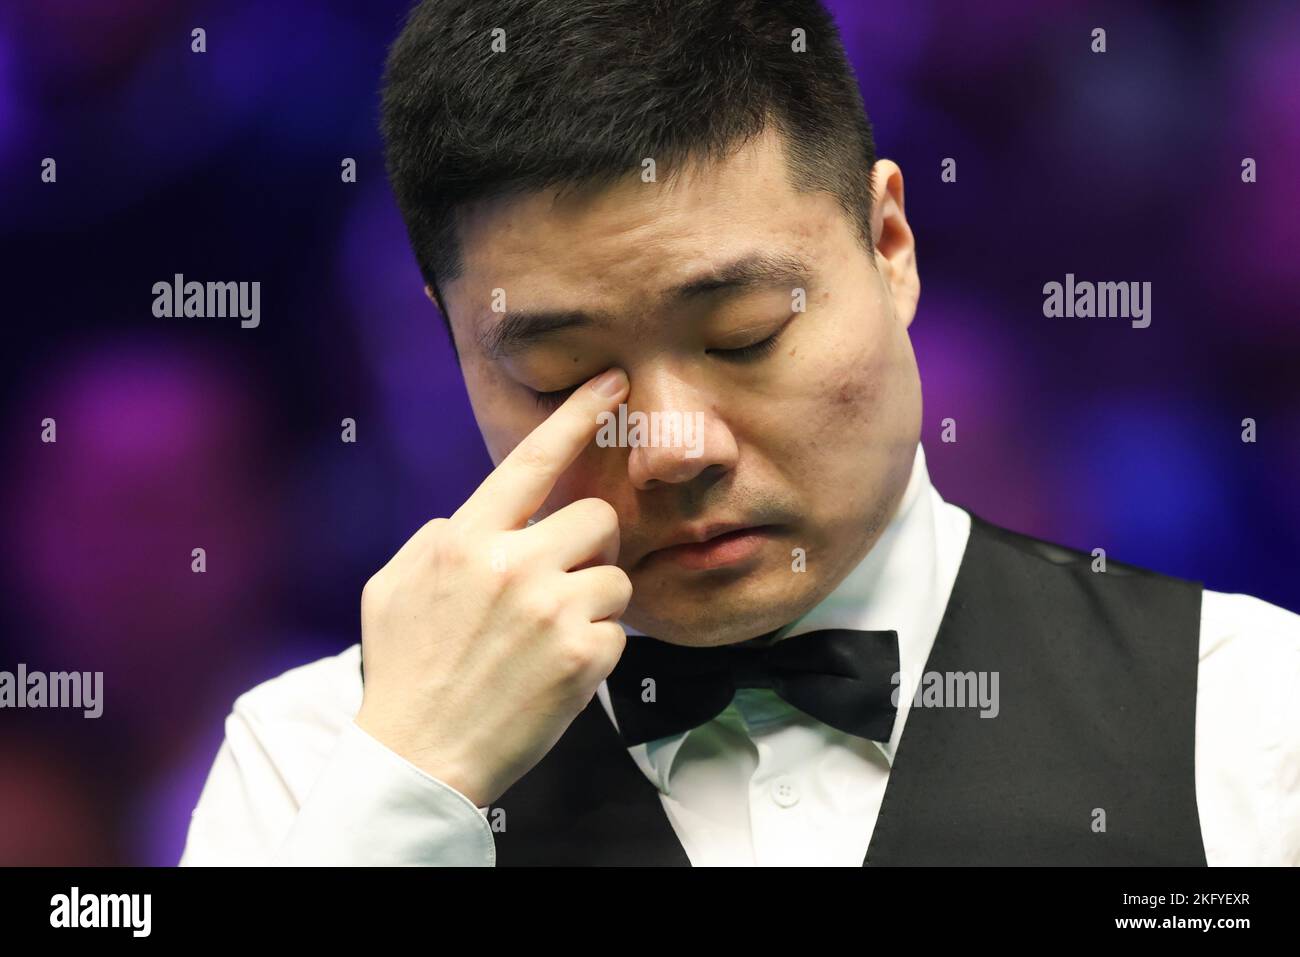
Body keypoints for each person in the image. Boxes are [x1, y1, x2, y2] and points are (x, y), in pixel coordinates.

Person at [179, 0, 1300, 866]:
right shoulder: (314, 760)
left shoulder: (1250, 710)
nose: (674, 445)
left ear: (890, 245)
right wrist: (409, 794)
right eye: (564, 378)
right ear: (455, 350)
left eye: (744, 334)